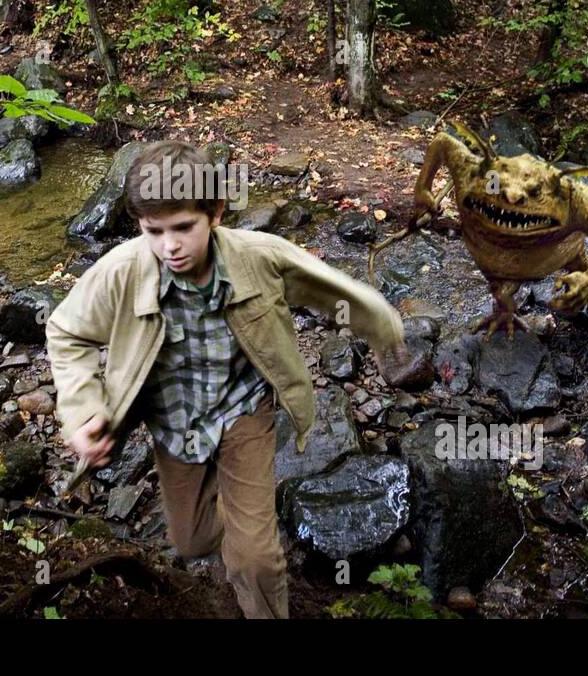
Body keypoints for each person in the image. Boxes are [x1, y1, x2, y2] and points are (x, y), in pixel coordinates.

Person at [46, 140, 423, 618]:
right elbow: (65, 332)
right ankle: (243, 520)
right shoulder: (120, 273)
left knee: (256, 558)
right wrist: (83, 412)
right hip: (173, 425)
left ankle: (258, 565)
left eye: (184, 227)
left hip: (243, 412)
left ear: (216, 213)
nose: (170, 246)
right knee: (191, 540)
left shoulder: (256, 257)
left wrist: (383, 325)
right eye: (154, 231)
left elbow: (325, 285)